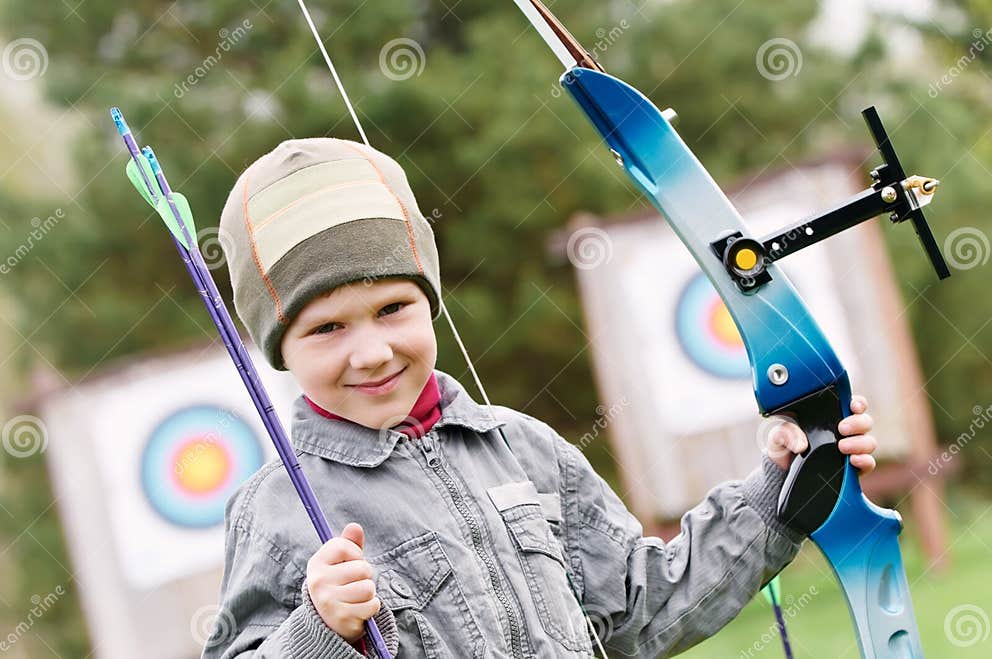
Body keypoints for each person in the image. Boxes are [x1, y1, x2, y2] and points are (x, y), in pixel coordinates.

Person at [204, 138, 878, 658]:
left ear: (429, 302)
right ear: (279, 350)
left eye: (392, 307)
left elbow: (643, 610)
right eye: (326, 327)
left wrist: (783, 494)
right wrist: (319, 630)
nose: (372, 350)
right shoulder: (277, 509)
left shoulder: (521, 449)